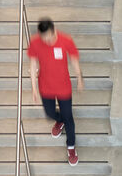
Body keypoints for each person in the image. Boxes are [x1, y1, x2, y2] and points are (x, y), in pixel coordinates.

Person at [27, 17, 83, 166]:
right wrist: (33, 88)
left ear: (54, 30)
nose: (47, 41)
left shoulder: (66, 40)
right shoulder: (35, 43)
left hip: (64, 87)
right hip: (45, 86)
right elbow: (32, 65)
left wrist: (79, 77)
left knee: (69, 118)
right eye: (44, 38)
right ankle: (60, 120)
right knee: (50, 113)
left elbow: (74, 59)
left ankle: (71, 147)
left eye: (49, 37)